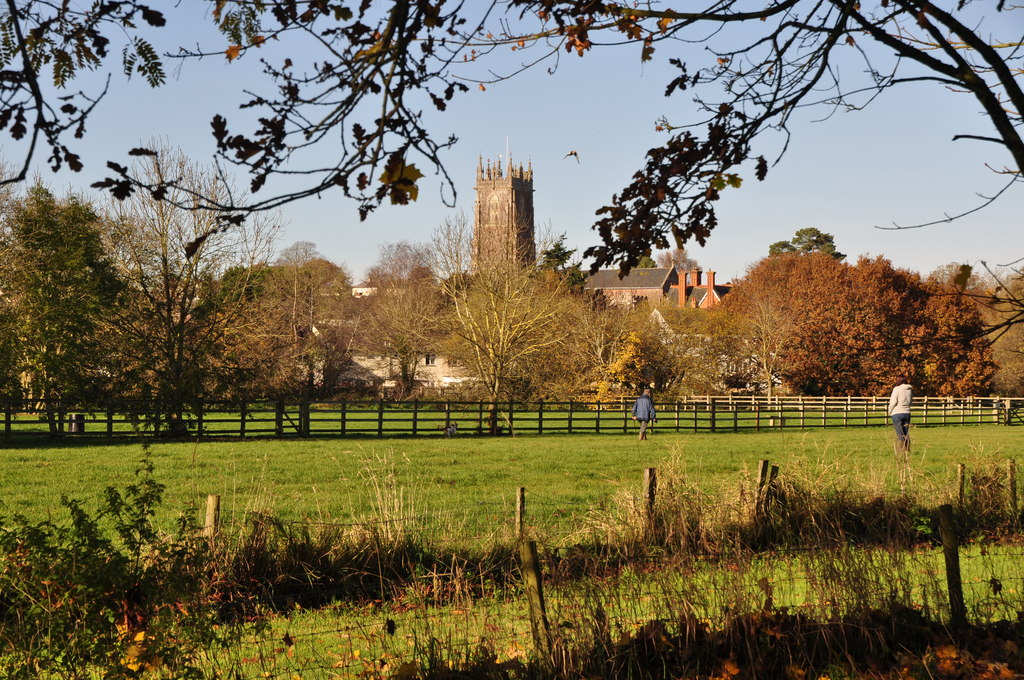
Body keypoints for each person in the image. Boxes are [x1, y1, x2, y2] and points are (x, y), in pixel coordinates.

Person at [887, 375, 913, 450]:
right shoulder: (909, 389)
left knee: (900, 433)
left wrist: (890, 411)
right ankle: (907, 449)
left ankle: (900, 449)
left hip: (897, 413)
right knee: (906, 433)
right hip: (907, 413)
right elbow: (910, 401)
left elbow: (893, 401)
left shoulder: (896, 389)